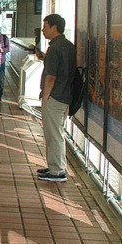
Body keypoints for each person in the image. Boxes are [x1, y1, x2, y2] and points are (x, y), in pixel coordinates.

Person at [36, 13, 77, 182]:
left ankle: (57, 171)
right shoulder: (68, 46)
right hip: (65, 95)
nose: (43, 30)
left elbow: (51, 77)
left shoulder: (54, 48)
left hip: (54, 97)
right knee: (56, 133)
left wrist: (45, 97)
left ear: (54, 27)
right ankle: (54, 166)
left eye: (45, 26)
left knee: (53, 135)